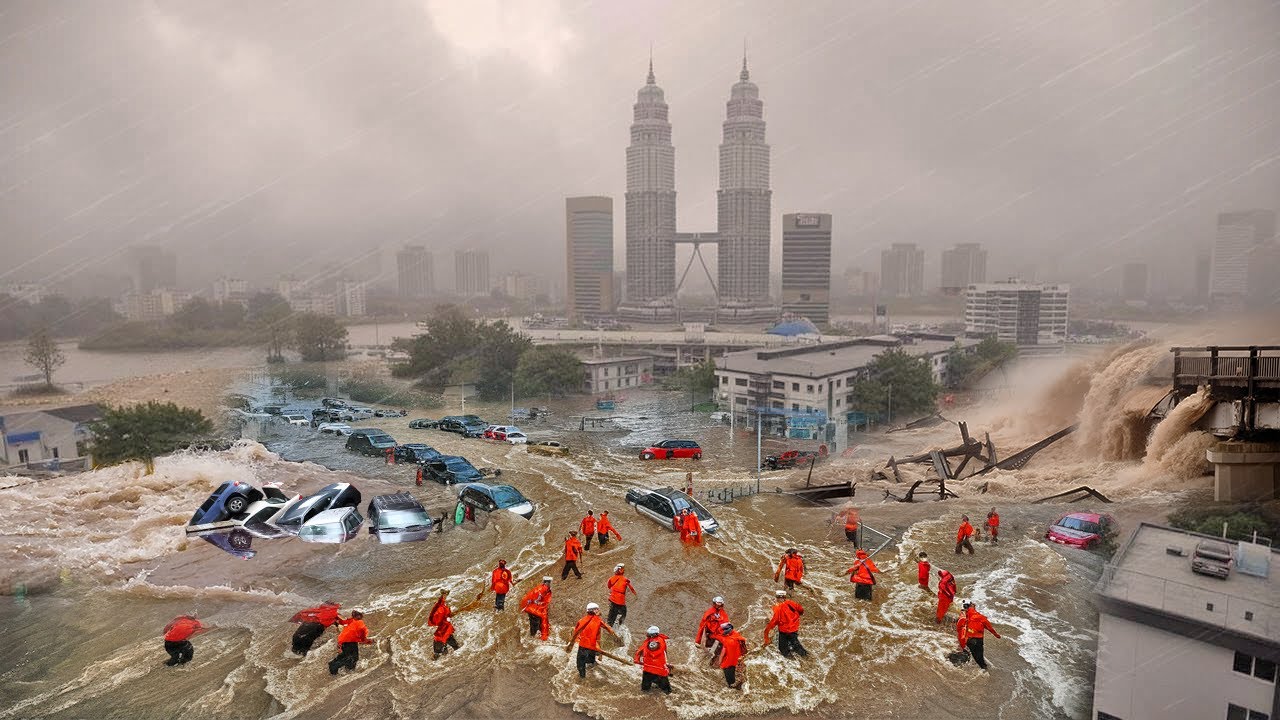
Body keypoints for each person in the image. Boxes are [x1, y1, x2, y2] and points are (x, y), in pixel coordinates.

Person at [567, 602, 618, 679]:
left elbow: (576, 632)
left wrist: (571, 643)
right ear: (594, 611)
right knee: (591, 663)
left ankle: (582, 678)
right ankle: (592, 675)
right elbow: (609, 629)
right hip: (593, 646)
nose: (599, 610)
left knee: (580, 664)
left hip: (583, 646)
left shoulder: (582, 620)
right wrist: (616, 637)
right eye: (597, 609)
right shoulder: (599, 621)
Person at [763, 590, 808, 658]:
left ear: (777, 598)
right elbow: (801, 609)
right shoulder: (791, 603)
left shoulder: (778, 608)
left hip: (784, 631)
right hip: (794, 629)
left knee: (783, 649)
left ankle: (793, 660)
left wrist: (766, 632)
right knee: (796, 645)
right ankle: (805, 657)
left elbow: (774, 621)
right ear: (785, 597)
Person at [959, 600, 1002, 670]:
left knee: (974, 655)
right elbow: (990, 628)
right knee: (980, 658)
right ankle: (984, 669)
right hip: (978, 640)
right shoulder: (982, 618)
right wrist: (996, 635)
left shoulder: (967, 615)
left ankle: (969, 663)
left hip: (969, 640)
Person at [328, 610, 373, 675]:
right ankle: (334, 665)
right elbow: (362, 636)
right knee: (353, 658)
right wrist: (369, 641)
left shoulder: (350, 621)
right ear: (360, 616)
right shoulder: (360, 622)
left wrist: (336, 616)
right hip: (350, 642)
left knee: (345, 656)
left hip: (342, 642)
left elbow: (341, 621)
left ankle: (337, 670)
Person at [633, 625, 672, 695]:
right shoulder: (661, 640)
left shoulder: (650, 643)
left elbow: (642, 651)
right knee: (667, 692)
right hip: (660, 669)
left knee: (645, 690)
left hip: (649, 670)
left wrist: (637, 659)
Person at [428, 592, 461, 660]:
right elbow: (439, 606)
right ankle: (439, 658)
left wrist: (443, 597)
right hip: (441, 638)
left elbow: (439, 605)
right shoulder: (443, 613)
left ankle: (441, 657)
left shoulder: (443, 612)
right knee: (440, 652)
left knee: (455, 647)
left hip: (444, 636)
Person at [718, 622, 749, 689]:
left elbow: (722, 653)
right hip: (737, 661)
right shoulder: (737, 636)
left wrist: (719, 662)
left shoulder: (727, 641)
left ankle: (731, 686)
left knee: (730, 680)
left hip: (728, 663)